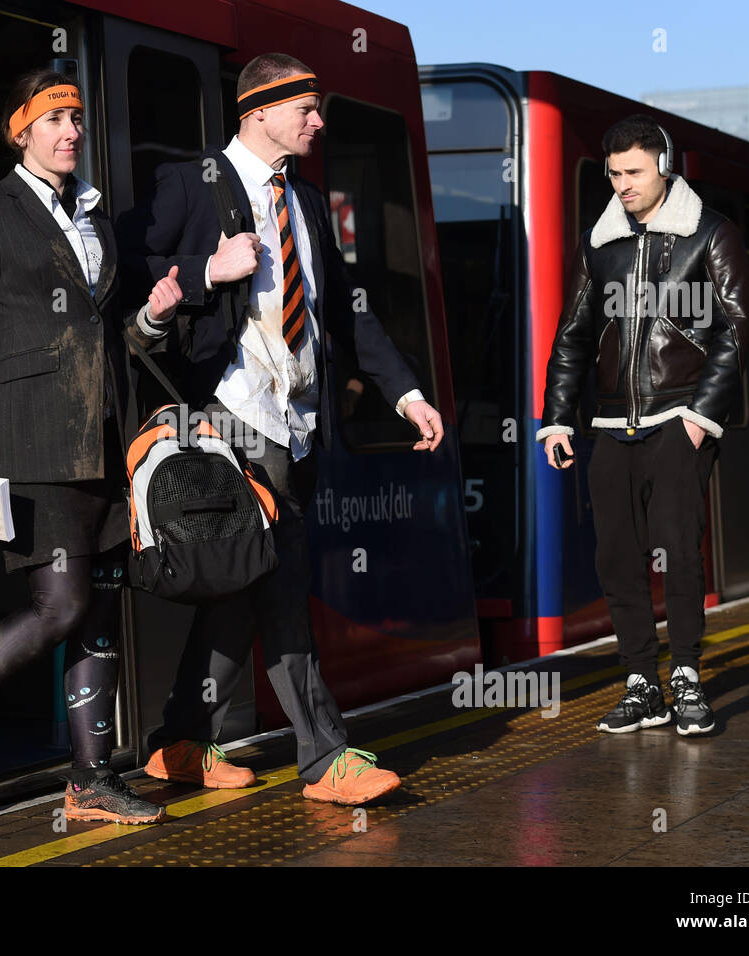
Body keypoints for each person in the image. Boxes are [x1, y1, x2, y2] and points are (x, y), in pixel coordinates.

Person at [117, 53, 444, 805]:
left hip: (296, 425)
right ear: (259, 110)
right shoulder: (188, 183)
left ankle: (179, 744)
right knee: (283, 587)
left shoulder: (305, 200)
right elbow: (124, 270)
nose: (319, 122)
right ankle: (325, 757)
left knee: (241, 587)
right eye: (306, 109)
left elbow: (346, 312)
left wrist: (407, 394)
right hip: (230, 424)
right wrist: (208, 270)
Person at [0, 69, 184, 823]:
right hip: (34, 439)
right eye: (55, 120)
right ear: (21, 131)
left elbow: (110, 339)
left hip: (103, 437)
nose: (72, 132)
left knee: (100, 611)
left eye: (77, 119)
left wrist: (156, 318)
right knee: (61, 605)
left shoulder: (95, 218)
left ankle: (91, 780)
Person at [535, 115, 749, 736]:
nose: (622, 184)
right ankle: (641, 684)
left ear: (664, 165)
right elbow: (572, 337)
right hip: (608, 421)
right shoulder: (598, 242)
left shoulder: (711, 235)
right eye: (613, 174)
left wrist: (700, 418)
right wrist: (556, 421)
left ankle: (685, 675)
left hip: (679, 415)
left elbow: (734, 335)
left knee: (679, 550)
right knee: (616, 555)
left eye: (632, 172)